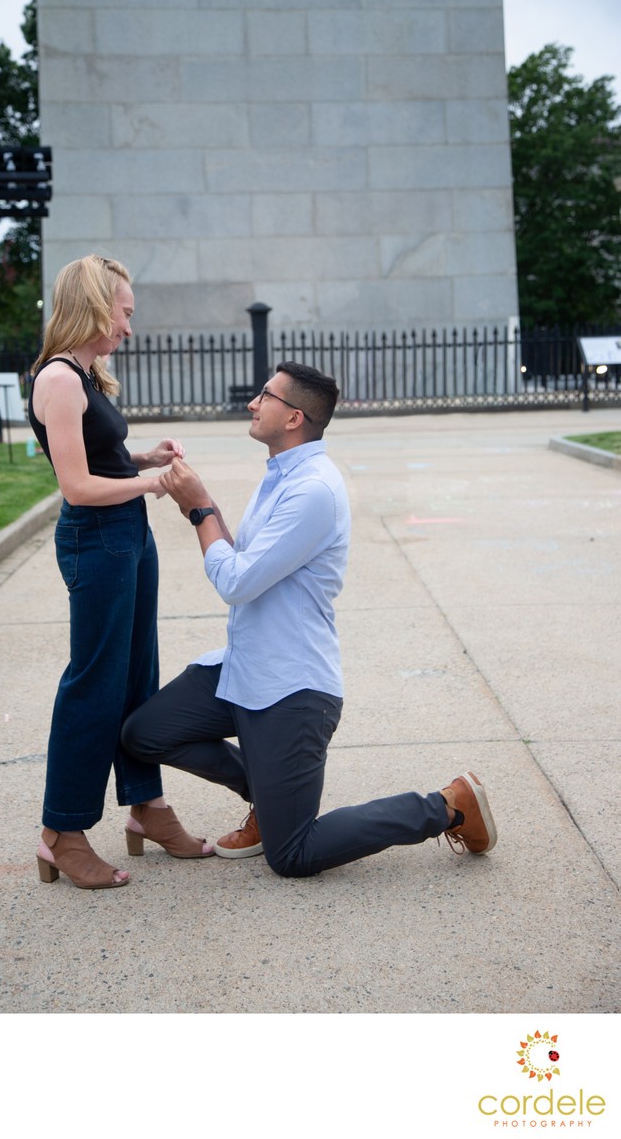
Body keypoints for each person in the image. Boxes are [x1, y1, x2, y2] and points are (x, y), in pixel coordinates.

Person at [121, 361, 497, 878]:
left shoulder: (313, 490)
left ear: (294, 417)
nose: (253, 403)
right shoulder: (281, 474)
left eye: (264, 396)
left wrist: (200, 509)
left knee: (292, 854)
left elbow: (234, 582)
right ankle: (269, 794)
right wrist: (206, 512)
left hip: (292, 688)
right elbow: (244, 560)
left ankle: (448, 805)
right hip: (244, 668)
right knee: (145, 733)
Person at [28, 254, 213, 890]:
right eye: (124, 312)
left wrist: (142, 456)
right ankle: (62, 832)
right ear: (94, 304)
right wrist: (157, 481)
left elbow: (97, 456)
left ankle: (147, 807)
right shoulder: (58, 379)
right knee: (94, 682)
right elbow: (77, 486)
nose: (129, 328)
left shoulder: (84, 375)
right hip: (99, 537)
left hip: (127, 533)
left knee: (138, 675)